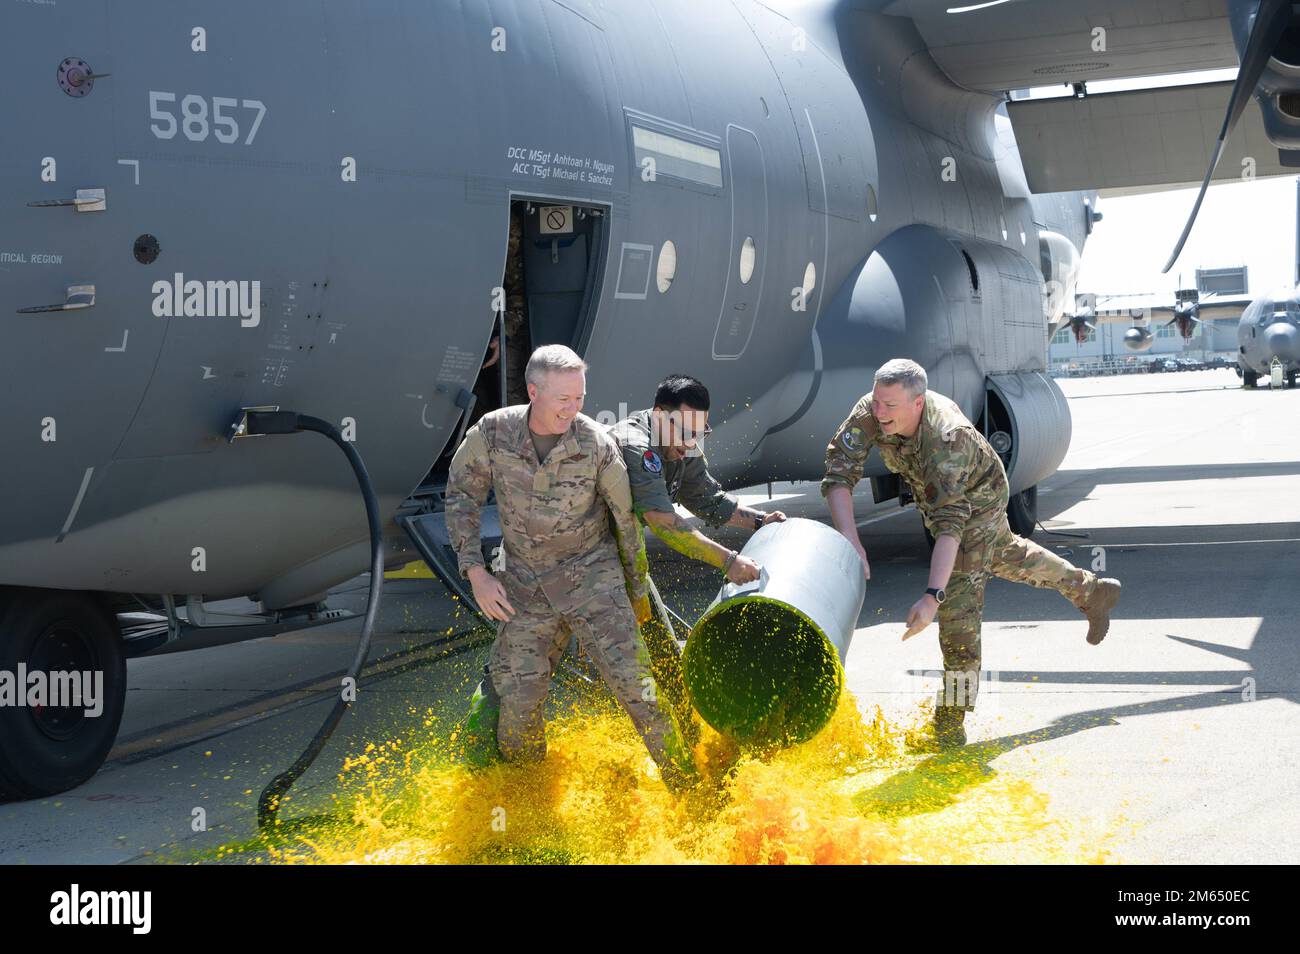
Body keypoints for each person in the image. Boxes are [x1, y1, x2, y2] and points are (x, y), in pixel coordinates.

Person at [821, 358, 1122, 749]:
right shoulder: (872, 409)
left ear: (918, 403)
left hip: (977, 497)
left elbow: (950, 526)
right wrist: (852, 539)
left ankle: (950, 720)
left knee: (957, 610)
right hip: (939, 497)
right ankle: (1091, 591)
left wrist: (932, 597)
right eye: (877, 401)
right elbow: (838, 472)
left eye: (889, 406)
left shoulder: (949, 439)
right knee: (1009, 555)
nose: (879, 412)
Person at [445, 344, 695, 789]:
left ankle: (687, 785)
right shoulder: (492, 433)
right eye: (565, 399)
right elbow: (462, 496)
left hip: (593, 580)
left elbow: (625, 523)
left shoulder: (596, 444)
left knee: (640, 693)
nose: (574, 408)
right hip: (523, 585)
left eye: (580, 397)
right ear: (533, 391)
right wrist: (475, 572)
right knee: (518, 702)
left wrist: (636, 595)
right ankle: (528, 800)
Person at [608, 374, 786, 734]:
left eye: (699, 433)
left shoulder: (680, 443)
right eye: (686, 433)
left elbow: (706, 498)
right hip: (579, 566)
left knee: (664, 660)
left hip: (623, 563)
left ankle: (689, 739)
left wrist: (760, 521)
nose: (691, 443)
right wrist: (729, 561)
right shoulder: (634, 445)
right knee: (530, 667)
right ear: (659, 416)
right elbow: (664, 522)